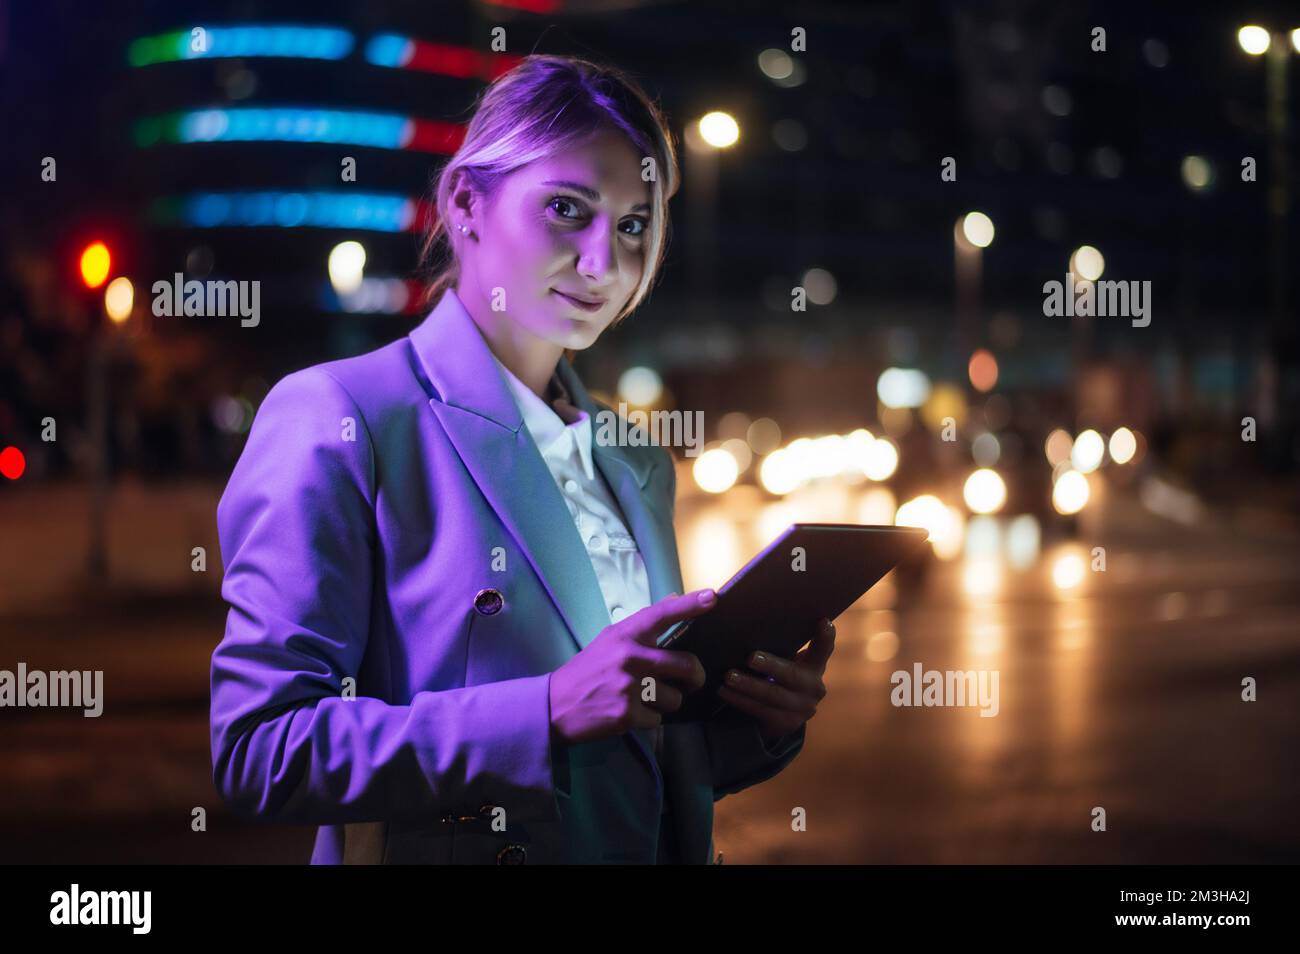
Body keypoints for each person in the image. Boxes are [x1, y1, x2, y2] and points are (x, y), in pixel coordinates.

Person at [209, 54, 833, 865]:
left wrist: (757, 720)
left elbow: (628, 771)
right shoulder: (344, 415)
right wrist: (539, 712)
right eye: (568, 210)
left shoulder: (632, 460)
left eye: (634, 225)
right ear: (466, 203)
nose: (604, 263)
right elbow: (262, 749)